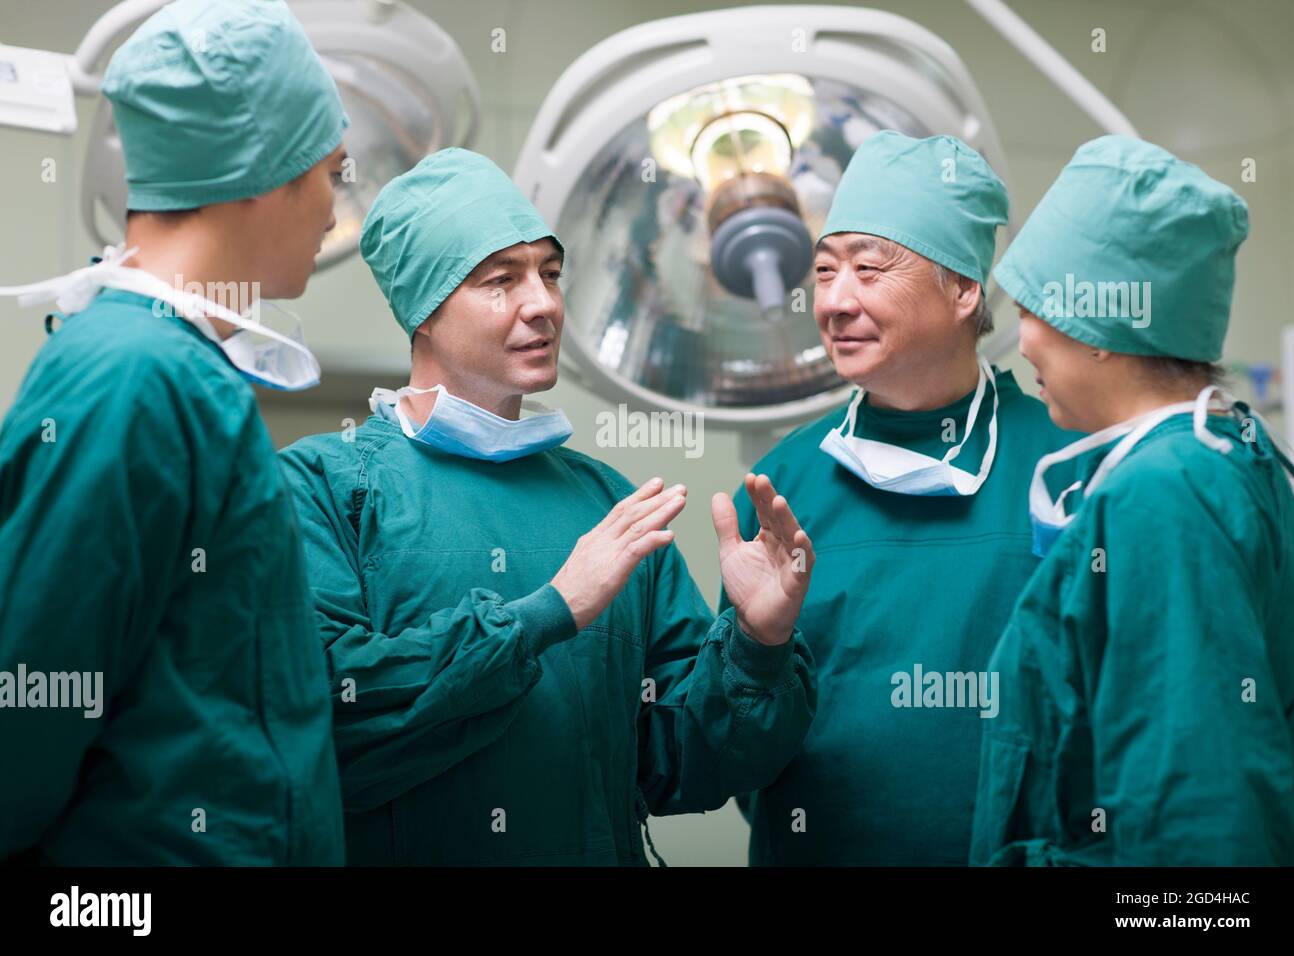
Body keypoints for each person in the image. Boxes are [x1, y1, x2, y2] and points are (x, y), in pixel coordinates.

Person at [278, 148, 818, 866]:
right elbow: (326, 723)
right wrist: (549, 612)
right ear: (424, 313)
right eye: (501, 280)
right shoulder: (322, 488)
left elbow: (684, 765)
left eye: (551, 274)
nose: (543, 304)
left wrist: (756, 644)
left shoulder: (606, 504)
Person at [0, 0, 348, 864]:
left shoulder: (174, 374)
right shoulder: (133, 378)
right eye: (332, 174)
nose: (335, 215)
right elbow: (29, 711)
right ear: (267, 170)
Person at [721, 131, 1078, 865]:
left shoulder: (1068, 466)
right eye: (823, 271)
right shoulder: (781, 486)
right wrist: (754, 649)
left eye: (869, 270)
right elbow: (726, 753)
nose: (836, 301)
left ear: (964, 290)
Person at [970, 135, 1294, 866]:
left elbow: (1199, 828)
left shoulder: (1165, 495)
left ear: (1101, 331)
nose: (1021, 343)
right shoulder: (1227, 456)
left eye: (1032, 309)